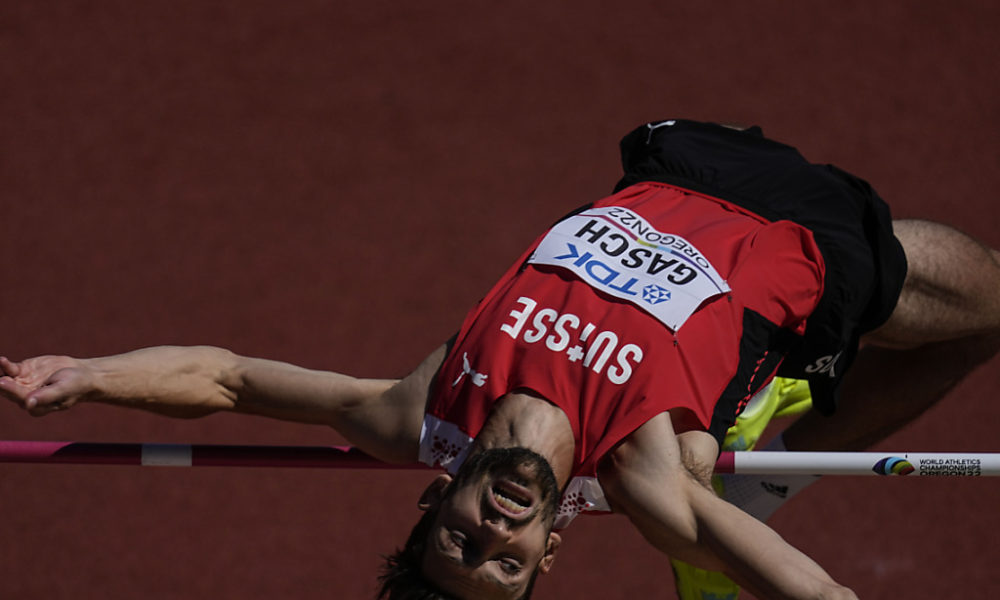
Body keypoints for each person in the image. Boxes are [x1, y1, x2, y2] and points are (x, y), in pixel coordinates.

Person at [3, 119, 999, 599]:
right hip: (811, 245)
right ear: (548, 555)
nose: (498, 532)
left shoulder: (421, 413)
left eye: (464, 542)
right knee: (988, 310)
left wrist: (87, 374)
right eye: (511, 564)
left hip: (683, 165)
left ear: (434, 504)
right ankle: (785, 454)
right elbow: (813, 593)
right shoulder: (642, 477)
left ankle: (784, 446)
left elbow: (222, 379)